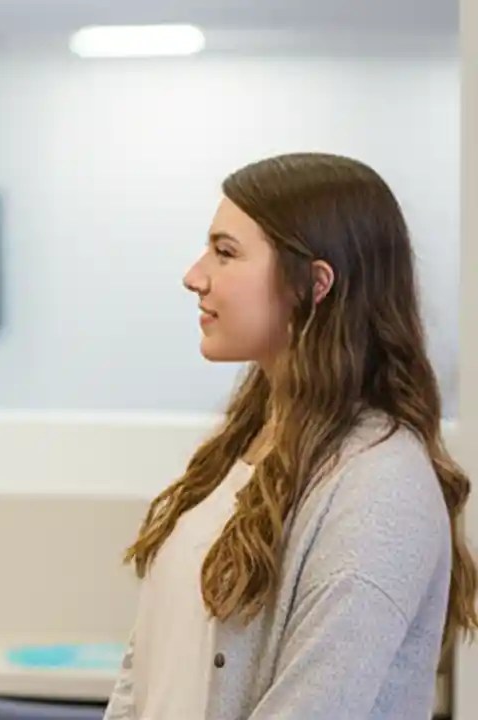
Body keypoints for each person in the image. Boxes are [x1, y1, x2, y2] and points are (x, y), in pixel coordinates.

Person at [104, 152, 478, 719]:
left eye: (225, 252)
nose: (194, 275)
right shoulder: (243, 447)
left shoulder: (382, 485)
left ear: (314, 284)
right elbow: (148, 667)